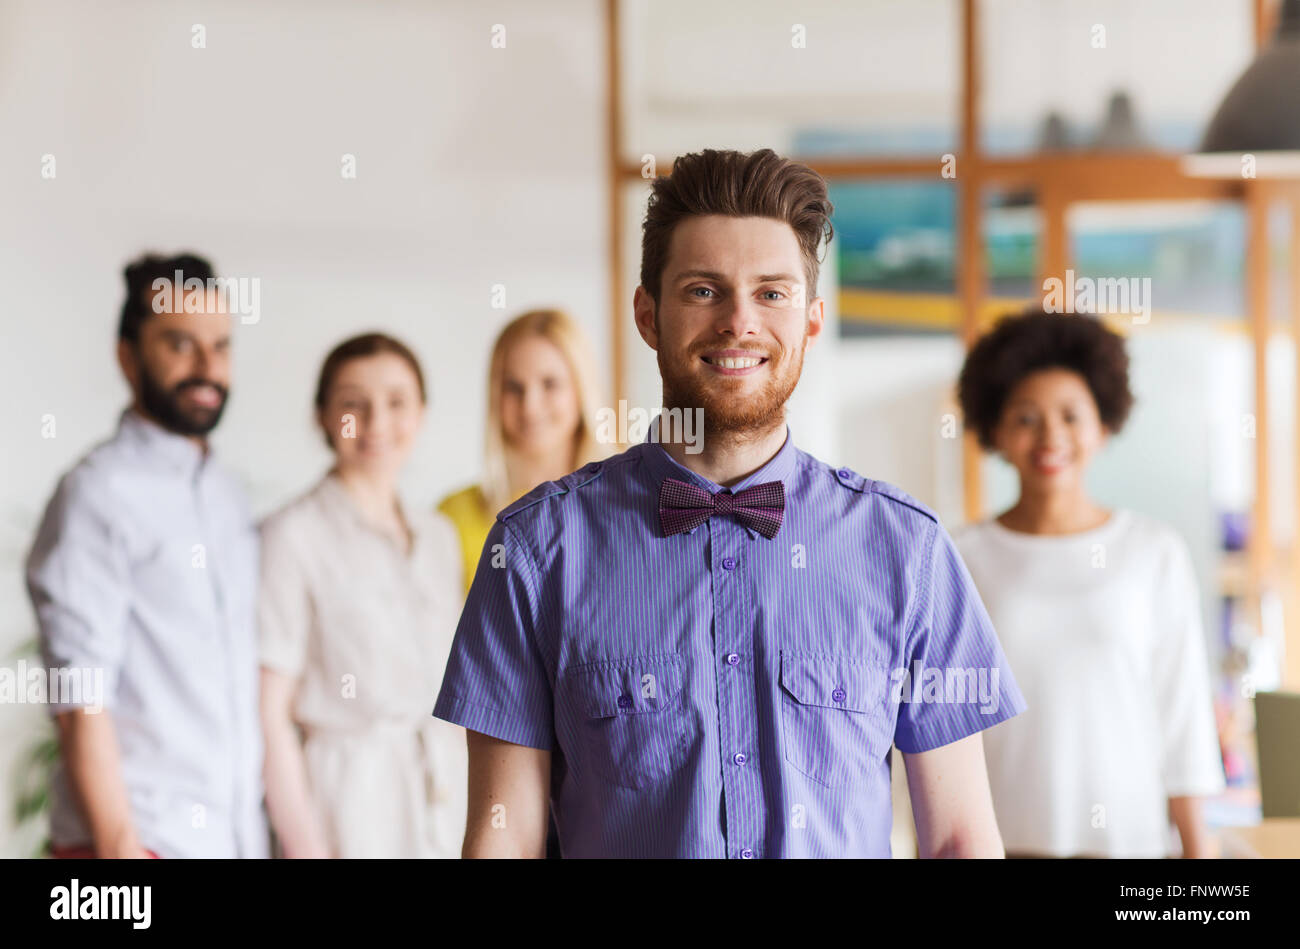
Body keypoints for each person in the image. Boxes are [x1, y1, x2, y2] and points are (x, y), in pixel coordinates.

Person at [433, 148, 1027, 858]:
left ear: (811, 319)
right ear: (648, 315)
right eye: (704, 290)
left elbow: (960, 838)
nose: (739, 322)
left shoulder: (909, 550)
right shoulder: (533, 551)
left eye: (771, 293)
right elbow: (503, 842)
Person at [953, 308, 1225, 858]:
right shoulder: (959, 557)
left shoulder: (1153, 552)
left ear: (1103, 427)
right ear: (997, 433)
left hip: (1132, 851)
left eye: (1071, 416)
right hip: (1004, 845)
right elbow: (946, 726)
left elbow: (1184, 717)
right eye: (1026, 417)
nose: (1050, 435)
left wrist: (1201, 855)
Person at [26, 252, 268, 859]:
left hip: (230, 840)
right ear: (127, 354)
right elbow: (79, 694)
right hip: (139, 845)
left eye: (221, 345)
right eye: (180, 344)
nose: (208, 367)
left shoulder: (230, 496)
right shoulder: (96, 493)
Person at [258, 333, 466, 858]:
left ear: (420, 413)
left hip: (442, 798)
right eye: (353, 403)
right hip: (348, 808)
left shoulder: (438, 536)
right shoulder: (291, 535)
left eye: (396, 402)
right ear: (323, 416)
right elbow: (268, 714)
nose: (375, 423)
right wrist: (306, 849)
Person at [438, 309, 605, 595]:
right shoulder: (452, 519)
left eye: (550, 384)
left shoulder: (626, 506)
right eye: (513, 387)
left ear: (581, 391)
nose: (530, 406)